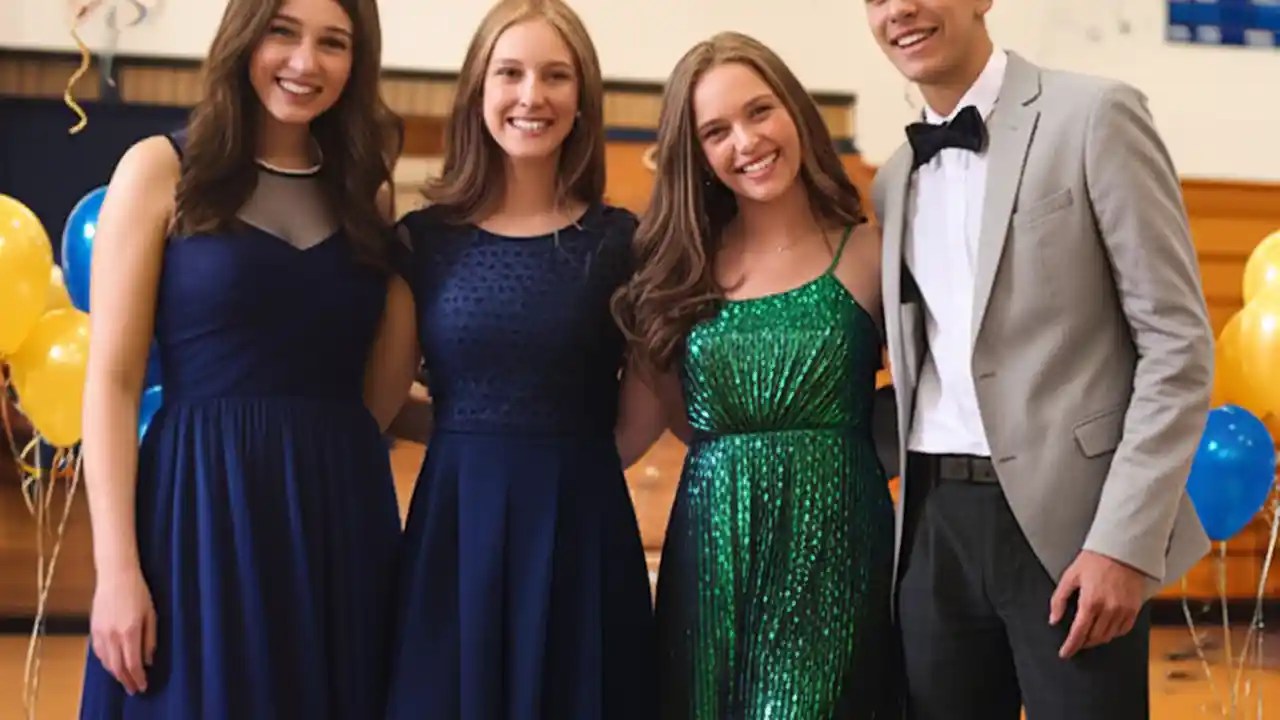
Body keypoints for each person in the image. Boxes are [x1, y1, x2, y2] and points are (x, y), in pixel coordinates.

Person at [864, 1, 1214, 718]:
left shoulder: (1095, 115)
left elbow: (1177, 347)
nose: (898, 9)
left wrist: (1123, 544)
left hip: (1074, 527)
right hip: (932, 523)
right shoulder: (893, 178)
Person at [78, 0, 411, 717]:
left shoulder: (367, 193)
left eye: (333, 42)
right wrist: (116, 569)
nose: (305, 62)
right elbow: (111, 382)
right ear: (243, 36)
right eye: (282, 32)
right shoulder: (160, 170)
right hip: (198, 516)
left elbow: (375, 386)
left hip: (337, 519)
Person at [611, 31, 899, 719]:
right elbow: (629, 433)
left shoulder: (873, 252)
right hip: (710, 558)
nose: (746, 141)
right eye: (716, 131)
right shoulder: (679, 272)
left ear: (795, 110)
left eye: (759, 111)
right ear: (698, 155)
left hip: (837, 555)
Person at [382, 1, 656, 717]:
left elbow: (647, 405)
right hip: (456, 526)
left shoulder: (622, 243)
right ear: (478, 89)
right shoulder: (422, 241)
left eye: (555, 76)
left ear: (583, 98)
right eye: (510, 73)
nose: (532, 95)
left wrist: (568, 467)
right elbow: (381, 401)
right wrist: (472, 440)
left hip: (580, 529)